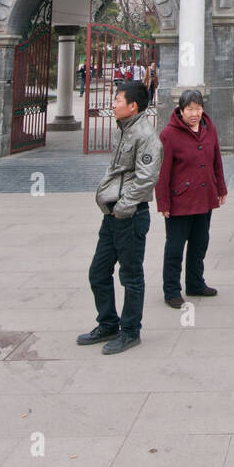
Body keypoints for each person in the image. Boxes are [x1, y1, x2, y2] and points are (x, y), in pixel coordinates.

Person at [78, 81, 163, 354]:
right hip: (112, 214)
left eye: (117, 100)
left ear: (133, 106)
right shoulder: (123, 130)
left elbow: (147, 177)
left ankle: (130, 331)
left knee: (130, 275)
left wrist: (124, 207)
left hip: (130, 215)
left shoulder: (145, 135)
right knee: (98, 272)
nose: (113, 104)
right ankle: (108, 323)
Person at [155, 89, 227, 305]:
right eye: (190, 109)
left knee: (200, 243)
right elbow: (162, 172)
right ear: (181, 110)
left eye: (198, 108)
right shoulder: (169, 134)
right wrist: (163, 202)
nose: (194, 113)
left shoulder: (209, 128)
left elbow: (216, 161)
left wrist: (220, 188)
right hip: (180, 200)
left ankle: (195, 283)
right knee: (175, 247)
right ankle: (171, 290)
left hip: (204, 197)